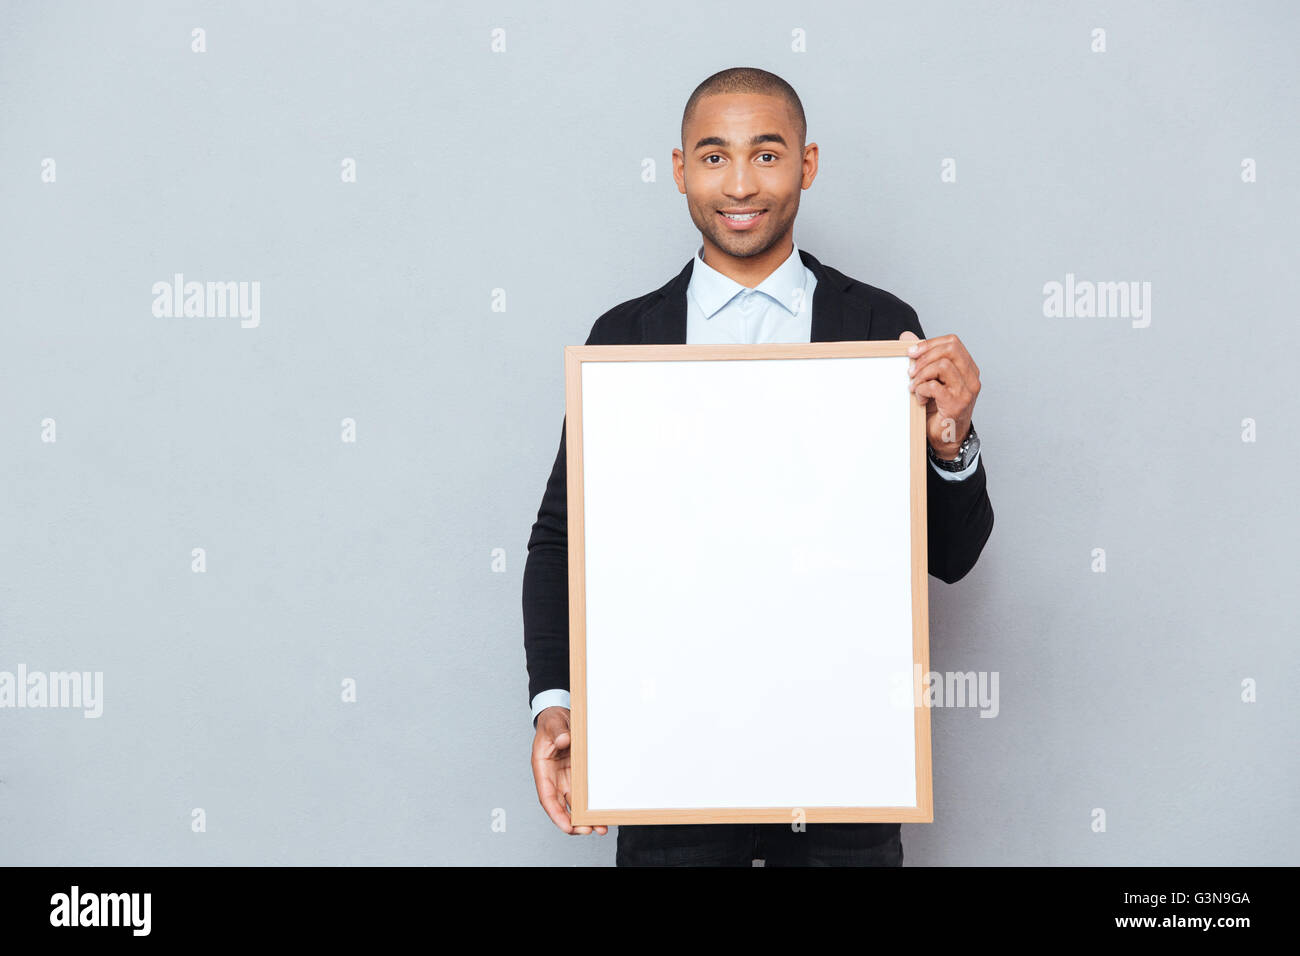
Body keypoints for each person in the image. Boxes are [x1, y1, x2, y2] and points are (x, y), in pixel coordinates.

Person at [522, 66, 994, 866]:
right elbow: (561, 541)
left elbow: (948, 558)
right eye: (714, 157)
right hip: (671, 793)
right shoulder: (624, 340)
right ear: (679, 172)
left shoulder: (880, 327)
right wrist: (555, 705)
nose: (741, 183)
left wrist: (953, 442)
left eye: (767, 155)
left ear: (806, 165)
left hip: (844, 794)